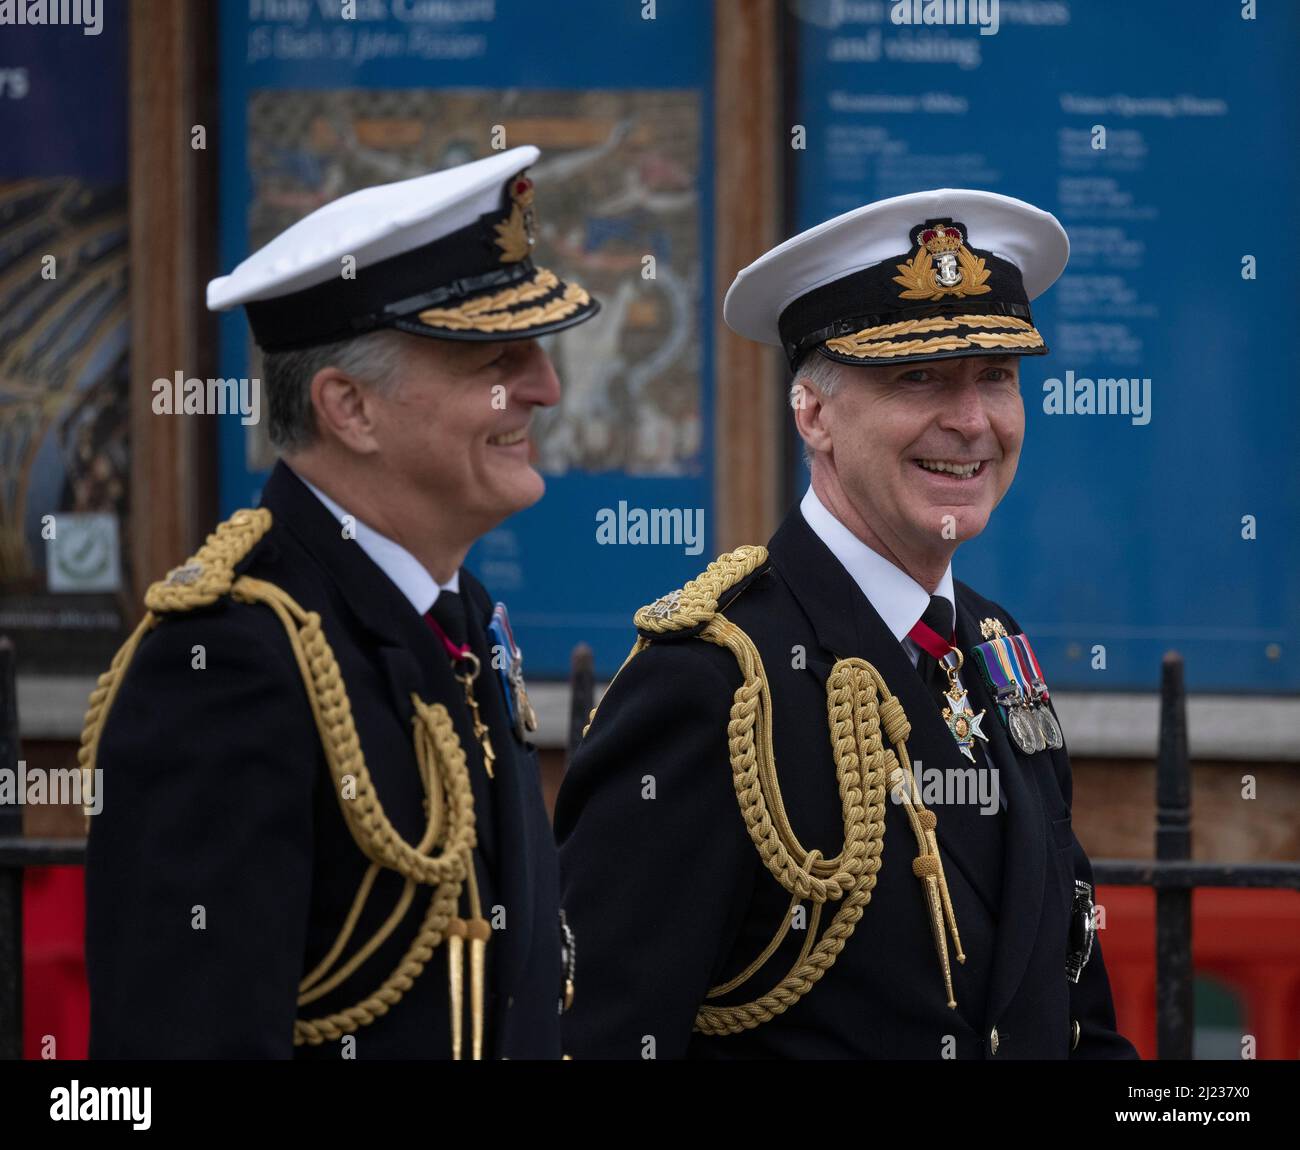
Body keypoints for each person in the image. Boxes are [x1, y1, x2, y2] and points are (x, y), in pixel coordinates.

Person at [555, 188, 1138, 1060]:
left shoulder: (992, 644)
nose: (972, 420)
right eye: (919, 377)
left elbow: (1068, 1013)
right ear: (815, 414)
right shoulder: (710, 684)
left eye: (996, 377)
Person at [82, 146, 597, 1059]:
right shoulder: (229, 660)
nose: (544, 387)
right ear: (349, 408)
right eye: (494, 355)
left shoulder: (463, 615)